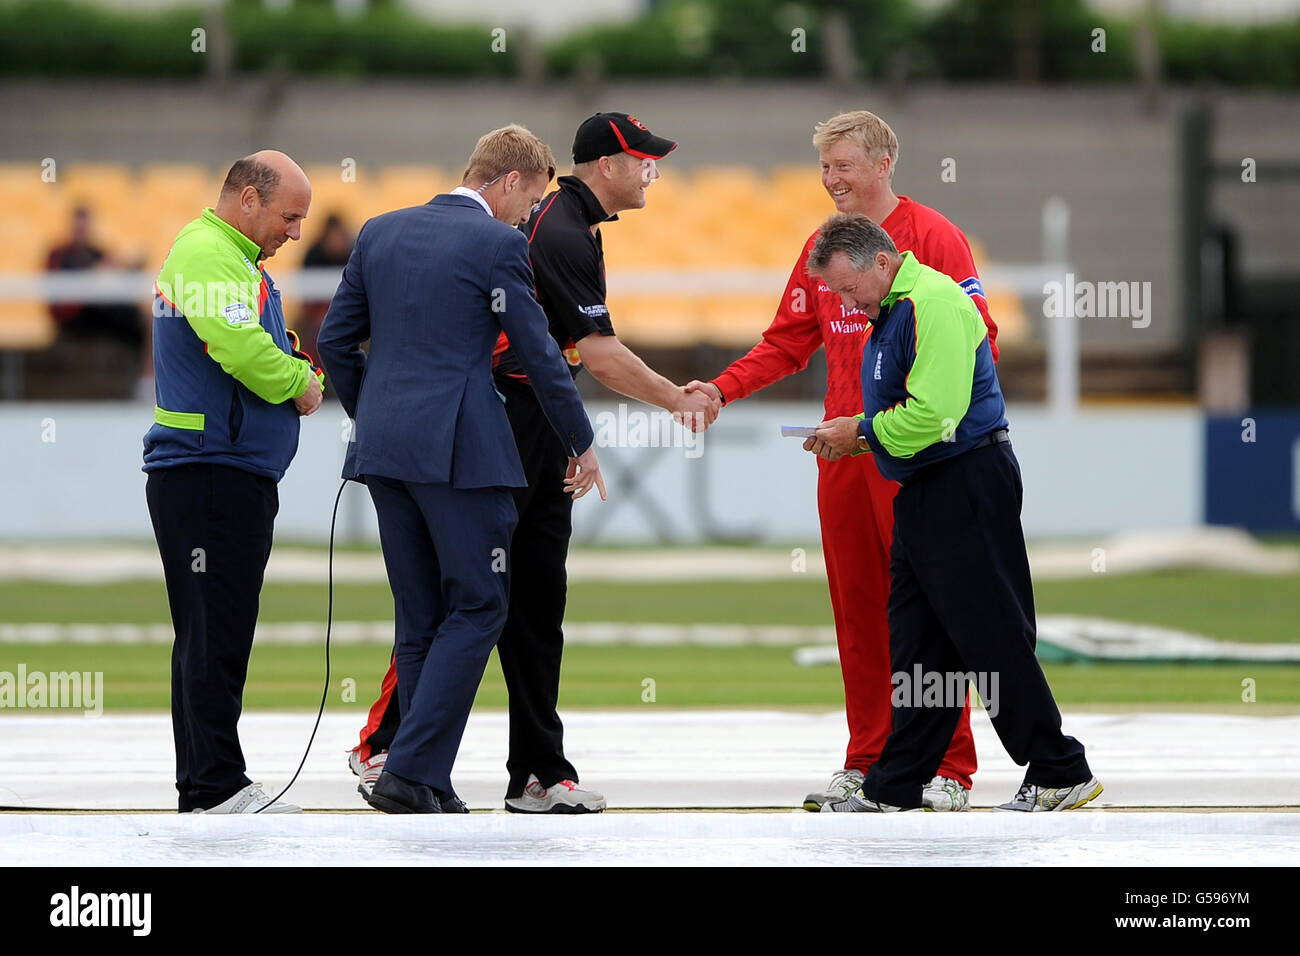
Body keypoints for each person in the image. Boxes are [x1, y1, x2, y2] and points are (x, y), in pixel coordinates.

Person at [347, 111, 716, 814]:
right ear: (606, 165)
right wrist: (670, 400)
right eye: (645, 161)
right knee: (475, 596)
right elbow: (583, 356)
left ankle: (534, 768)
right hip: (504, 422)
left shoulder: (564, 226)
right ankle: (391, 746)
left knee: (530, 599)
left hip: (516, 422)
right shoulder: (554, 231)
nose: (654, 174)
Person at [684, 110, 995, 811]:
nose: (831, 180)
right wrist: (720, 390)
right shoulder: (822, 248)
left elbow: (983, 340)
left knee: (938, 612)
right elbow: (786, 342)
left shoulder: (937, 238)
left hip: (915, 456)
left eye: (843, 165)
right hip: (844, 462)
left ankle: (950, 768)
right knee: (859, 614)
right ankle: (869, 759)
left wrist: (926, 426)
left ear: (885, 163)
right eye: (825, 167)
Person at [317, 124, 607, 815]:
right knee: (480, 605)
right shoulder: (498, 243)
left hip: (384, 454)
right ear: (508, 183)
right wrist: (580, 439)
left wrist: (377, 415)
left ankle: (423, 777)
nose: (530, 215)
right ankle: (410, 771)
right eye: (531, 200)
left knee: (422, 618)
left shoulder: (379, 231)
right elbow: (538, 353)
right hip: (460, 453)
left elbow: (334, 340)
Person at [802, 213, 1102, 812]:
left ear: (881, 263)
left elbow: (935, 415)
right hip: (925, 486)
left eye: (846, 286)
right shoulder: (891, 311)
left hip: (963, 480)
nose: (842, 301)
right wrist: (864, 435)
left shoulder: (931, 304)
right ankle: (897, 784)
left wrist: (860, 432)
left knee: (988, 633)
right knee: (920, 643)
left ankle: (1059, 766)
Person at [143, 150, 324, 814]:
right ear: (248, 200)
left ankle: (204, 779)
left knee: (206, 632)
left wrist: (299, 365)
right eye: (290, 216)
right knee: (216, 631)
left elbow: (257, 341)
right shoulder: (208, 253)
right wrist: (301, 383)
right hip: (209, 472)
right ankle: (216, 783)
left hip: (217, 470)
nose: (296, 231)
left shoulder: (229, 260)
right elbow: (242, 349)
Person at [295, 212, 354, 362]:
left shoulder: (353, 253)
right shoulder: (313, 254)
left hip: (348, 313)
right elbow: (306, 293)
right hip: (315, 315)